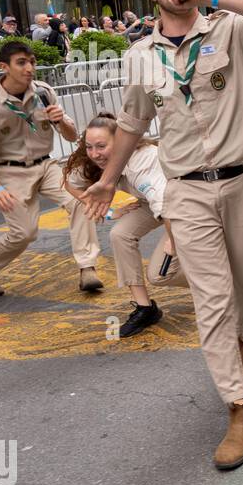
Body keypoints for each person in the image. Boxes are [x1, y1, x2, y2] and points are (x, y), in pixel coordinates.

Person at [79, 0, 243, 471]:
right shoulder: (140, 56)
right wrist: (108, 180)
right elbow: (131, 121)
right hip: (187, 190)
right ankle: (239, 409)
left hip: (241, 182)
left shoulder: (231, 30)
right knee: (211, 298)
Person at [0, 40, 103, 298]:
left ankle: (87, 268)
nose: (29, 68)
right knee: (24, 233)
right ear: (3, 67)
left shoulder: (43, 92)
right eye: (21, 63)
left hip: (46, 165)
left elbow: (73, 136)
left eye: (32, 62)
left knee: (80, 201)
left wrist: (61, 121)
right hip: (9, 172)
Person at [63, 112, 185, 337]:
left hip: (182, 205)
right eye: (89, 147)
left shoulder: (141, 162)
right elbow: (69, 181)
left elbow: (167, 207)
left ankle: (217, 282)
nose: (94, 154)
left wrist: (173, 239)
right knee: (120, 234)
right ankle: (145, 308)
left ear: (120, 141)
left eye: (101, 146)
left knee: (160, 274)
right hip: (151, 203)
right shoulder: (95, 161)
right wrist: (107, 210)